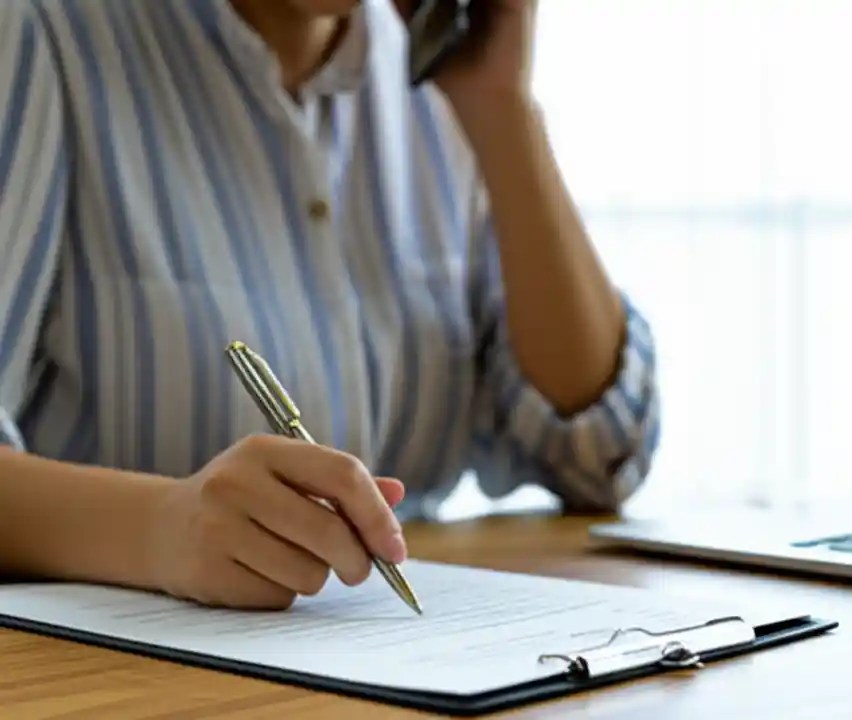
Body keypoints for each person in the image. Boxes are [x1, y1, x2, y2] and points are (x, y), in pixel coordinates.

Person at [0, 0, 660, 609]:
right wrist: (160, 526)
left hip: (391, 667)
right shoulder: (41, 32)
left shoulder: (434, 78)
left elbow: (599, 454)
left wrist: (502, 108)